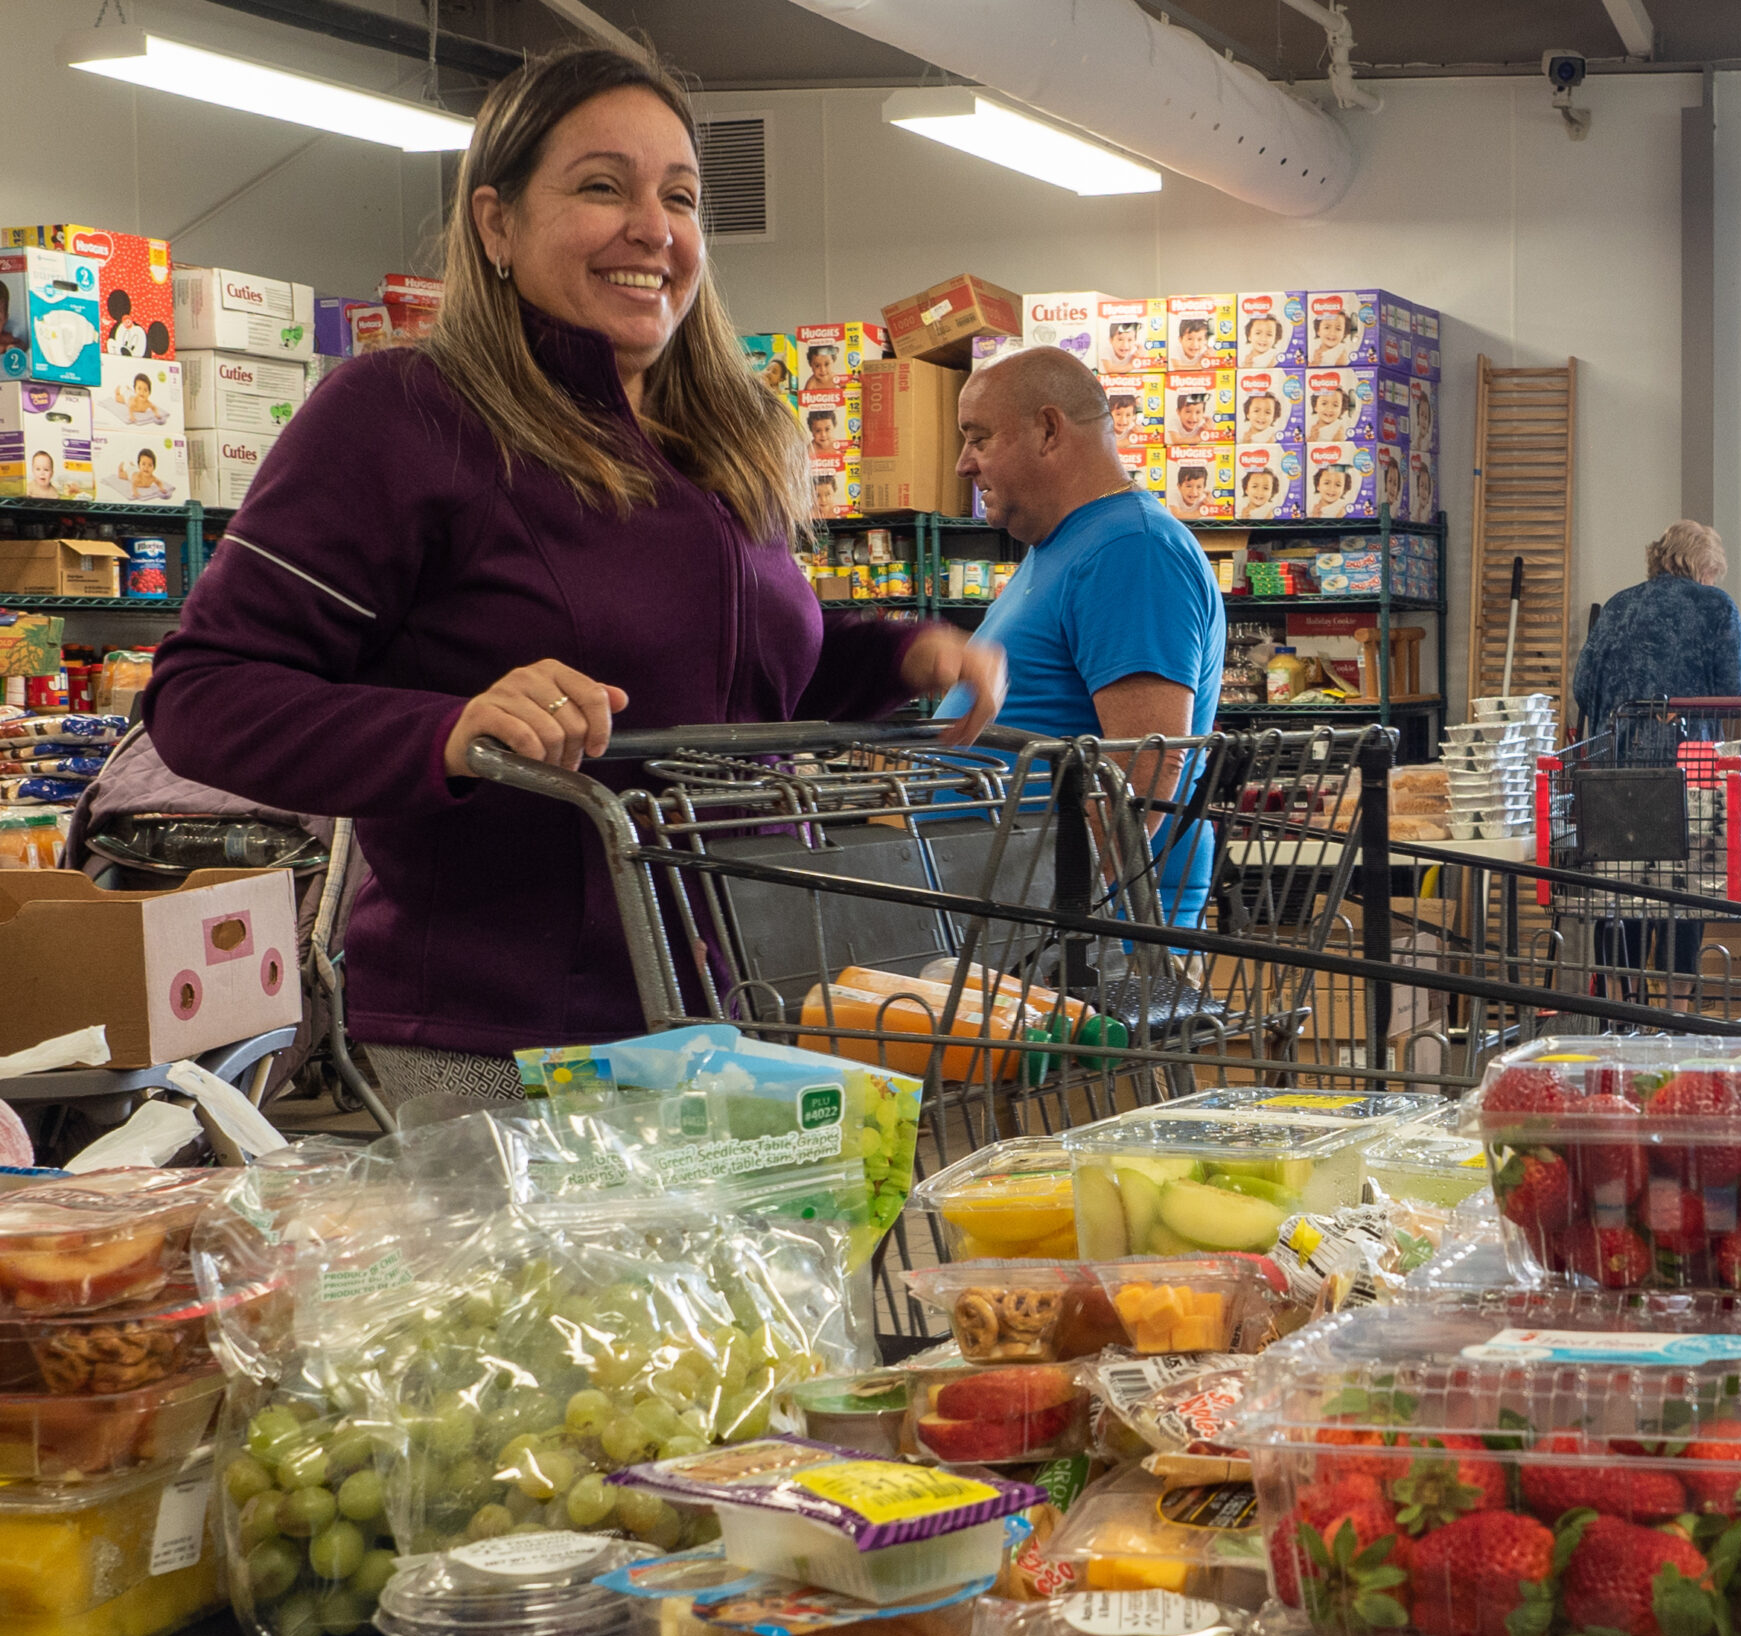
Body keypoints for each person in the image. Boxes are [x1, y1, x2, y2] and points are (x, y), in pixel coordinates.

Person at [144, 45, 1002, 1111]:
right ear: (497, 225)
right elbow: (202, 692)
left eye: (680, 198)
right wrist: (447, 731)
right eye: (603, 187)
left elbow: (721, 697)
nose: (655, 228)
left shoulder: (722, 441)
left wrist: (894, 656)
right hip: (513, 1047)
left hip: (740, 1012)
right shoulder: (402, 414)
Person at [952, 347, 1224, 927]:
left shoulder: (1130, 549)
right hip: (1015, 914)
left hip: (1083, 952)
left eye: (978, 438)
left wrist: (1053, 925)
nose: (963, 465)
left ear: (1048, 429)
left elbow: (1149, 765)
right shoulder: (1061, 545)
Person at [1572, 519, 1741, 996]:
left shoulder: (1618, 605)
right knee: (1683, 894)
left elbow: (1583, 688)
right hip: (1687, 769)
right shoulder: (1716, 606)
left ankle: (1626, 1003)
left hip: (1614, 771)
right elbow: (1735, 691)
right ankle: (1674, 1002)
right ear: (1704, 566)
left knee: (1623, 892)